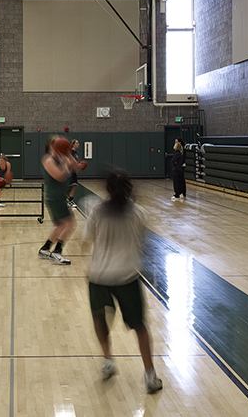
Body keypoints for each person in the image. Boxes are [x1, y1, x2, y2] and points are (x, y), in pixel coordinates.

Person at [85, 169, 163, 394]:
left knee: (100, 318)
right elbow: (143, 244)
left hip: (99, 276)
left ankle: (108, 361)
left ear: (107, 189)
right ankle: (150, 375)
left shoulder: (97, 211)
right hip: (128, 276)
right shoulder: (139, 213)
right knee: (139, 326)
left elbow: (87, 240)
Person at [38, 136, 77, 265]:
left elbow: (75, 167)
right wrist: (66, 164)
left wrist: (68, 153)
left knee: (61, 225)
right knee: (70, 224)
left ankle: (45, 249)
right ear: (51, 145)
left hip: (58, 196)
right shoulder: (48, 160)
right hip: (54, 197)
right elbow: (60, 176)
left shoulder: (62, 157)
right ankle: (57, 252)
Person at [67, 139, 81, 208]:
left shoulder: (76, 153)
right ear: (73, 144)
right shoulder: (71, 152)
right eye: (77, 143)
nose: (78, 144)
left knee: (74, 186)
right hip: (70, 172)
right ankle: (69, 201)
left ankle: (70, 201)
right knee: (71, 186)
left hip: (73, 171)